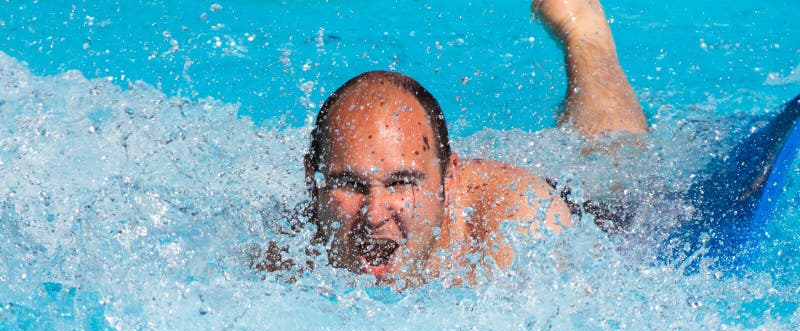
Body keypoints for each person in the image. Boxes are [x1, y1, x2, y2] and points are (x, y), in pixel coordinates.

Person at [262, 0, 647, 285]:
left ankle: (585, 32)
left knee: (614, 163)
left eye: (401, 183)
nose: (374, 214)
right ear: (312, 180)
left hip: (593, 211)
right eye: (349, 184)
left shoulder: (519, 234)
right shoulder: (288, 258)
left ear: (449, 179)